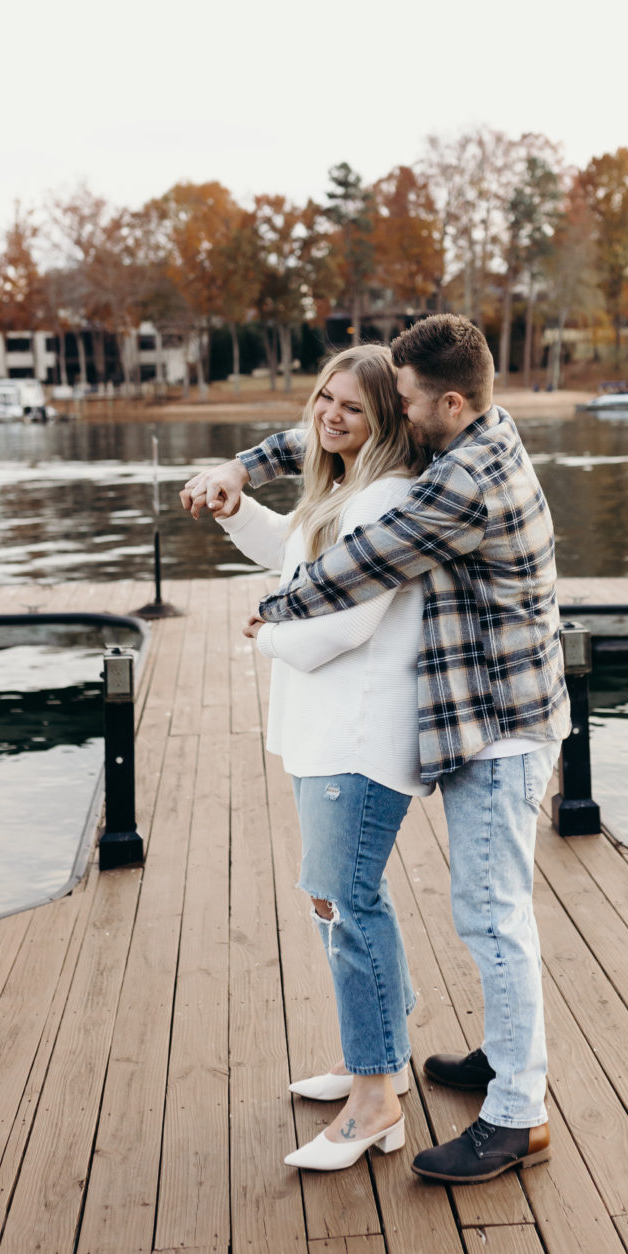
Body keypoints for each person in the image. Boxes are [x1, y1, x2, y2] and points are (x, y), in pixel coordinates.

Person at [183, 314, 570, 1184]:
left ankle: (518, 1112)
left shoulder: (461, 481)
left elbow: (362, 567)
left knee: (491, 914)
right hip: (476, 711)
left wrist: (272, 613)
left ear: (450, 402)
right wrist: (243, 469)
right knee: (473, 908)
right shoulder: (462, 430)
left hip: (504, 725)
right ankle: (504, 1056)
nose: (389, 407)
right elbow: (320, 432)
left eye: (400, 398)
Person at [217, 344, 430, 1173]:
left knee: (346, 905)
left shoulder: (389, 501)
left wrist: (268, 636)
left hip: (360, 739)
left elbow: (349, 625)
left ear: (385, 415)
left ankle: (376, 1100)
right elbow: (290, 553)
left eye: (351, 405)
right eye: (322, 399)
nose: (329, 415)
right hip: (320, 735)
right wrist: (236, 502)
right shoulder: (344, 491)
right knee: (338, 898)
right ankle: (373, 1050)